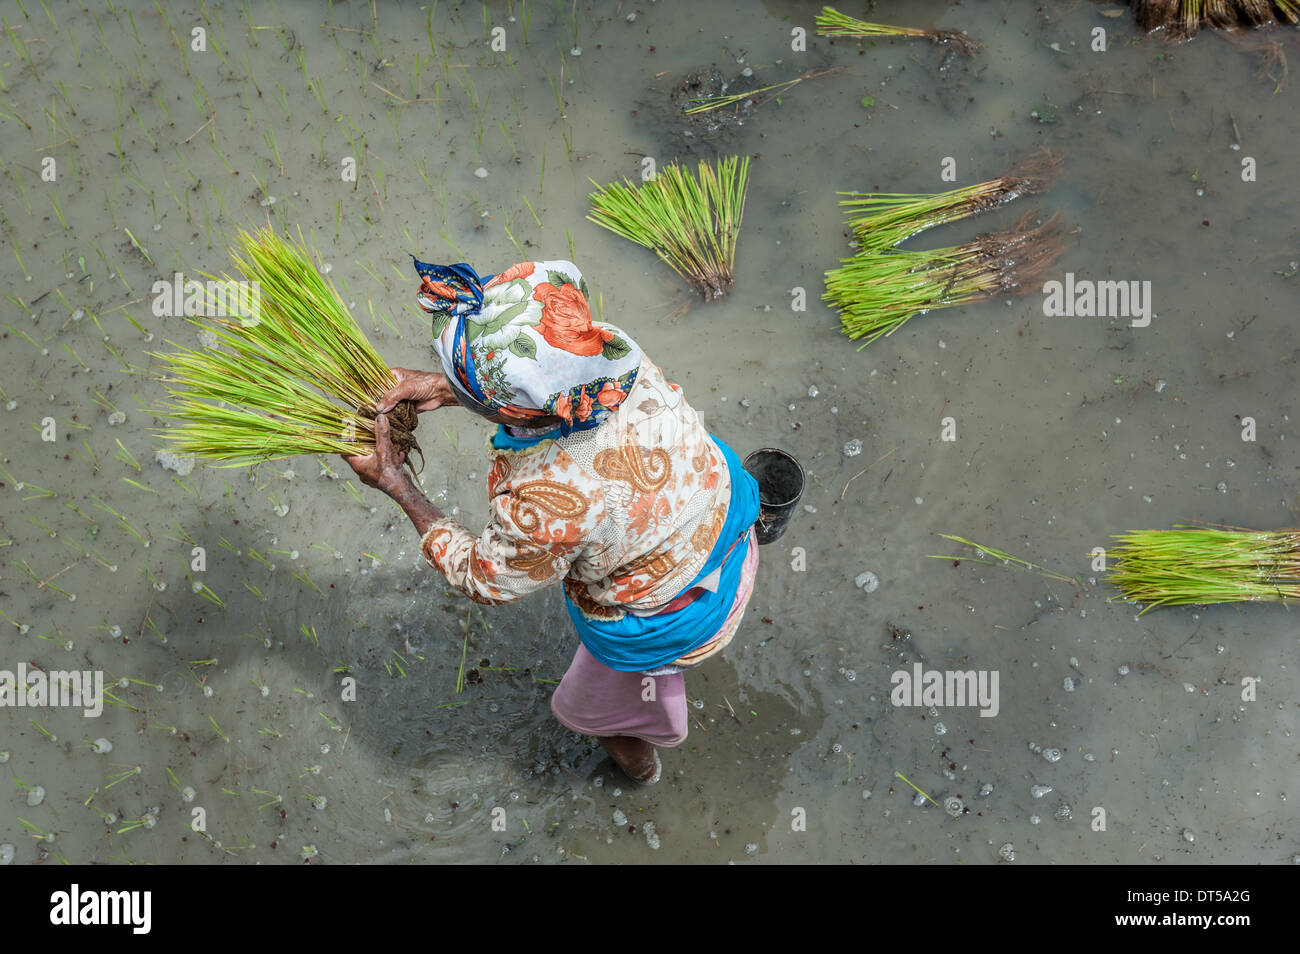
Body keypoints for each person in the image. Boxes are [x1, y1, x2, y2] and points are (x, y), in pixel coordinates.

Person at [344, 258, 760, 784]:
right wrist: (445, 386)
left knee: (593, 716)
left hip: (674, 614)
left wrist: (397, 485)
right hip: (730, 519)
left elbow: (484, 578)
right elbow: (536, 382)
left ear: (514, 409)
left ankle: (640, 771)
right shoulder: (606, 355)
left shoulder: (544, 496)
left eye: (462, 376)